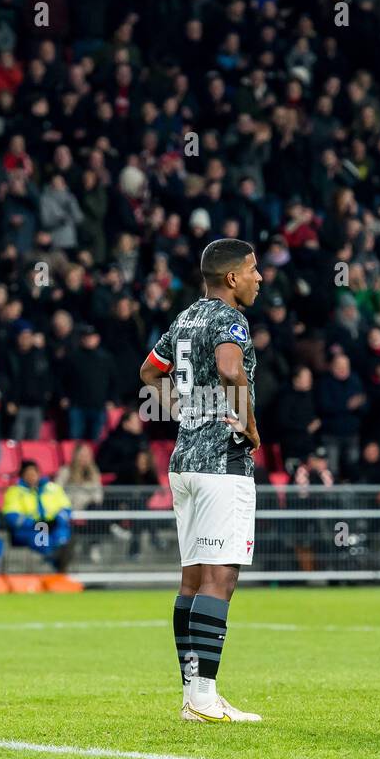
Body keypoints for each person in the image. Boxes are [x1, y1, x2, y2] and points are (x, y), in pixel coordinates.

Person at [138, 237, 262, 722]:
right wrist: (249, 426)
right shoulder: (231, 320)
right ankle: (205, 698)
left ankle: (194, 695)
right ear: (231, 278)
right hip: (220, 465)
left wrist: (189, 409)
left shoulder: (186, 317)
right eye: (252, 270)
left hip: (184, 460)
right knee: (221, 577)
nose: (258, 278)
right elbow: (232, 371)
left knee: (191, 579)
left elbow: (150, 371)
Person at [2, 460, 73, 570]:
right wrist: (35, 523)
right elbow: (12, 517)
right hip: (29, 529)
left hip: (52, 525)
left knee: (61, 534)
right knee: (43, 539)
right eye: (28, 474)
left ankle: (60, 557)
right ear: (22, 476)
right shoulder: (15, 492)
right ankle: (58, 562)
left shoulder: (53, 488)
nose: (32, 477)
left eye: (34, 473)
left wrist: (57, 520)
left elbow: (66, 508)